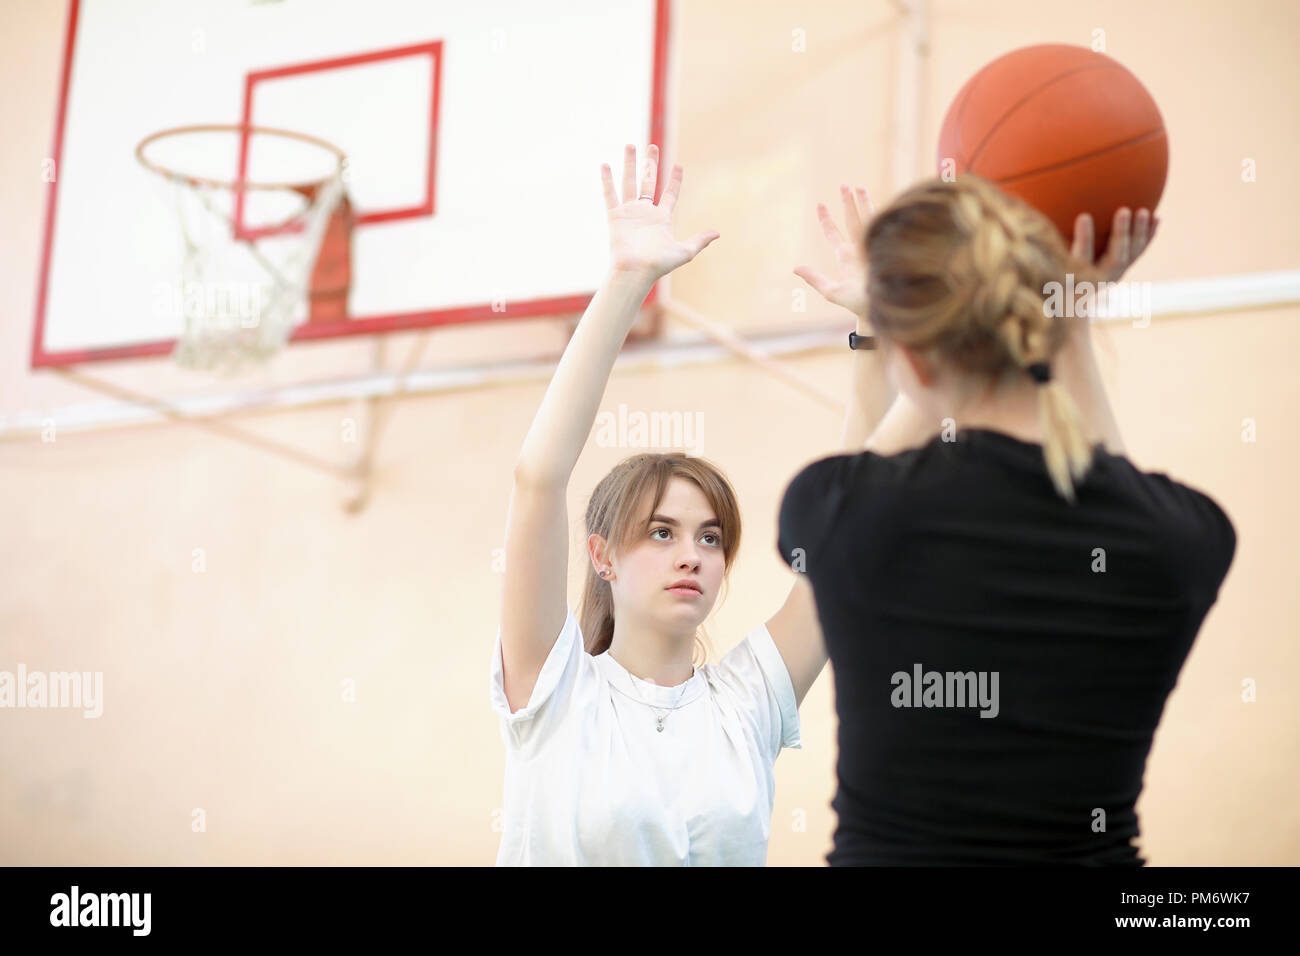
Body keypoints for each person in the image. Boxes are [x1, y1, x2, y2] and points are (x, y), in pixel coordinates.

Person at [778, 174, 1237, 865]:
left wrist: (892, 331)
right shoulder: (1184, 539)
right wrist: (1067, 312)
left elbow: (858, 479)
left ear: (915, 361)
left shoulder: (840, 514)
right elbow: (1114, 489)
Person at [490, 145, 882, 865]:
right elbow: (537, 479)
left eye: (710, 538)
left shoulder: (747, 701)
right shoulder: (559, 690)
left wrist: (876, 334)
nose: (692, 555)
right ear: (601, 553)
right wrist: (626, 283)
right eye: (662, 531)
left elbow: (855, 529)